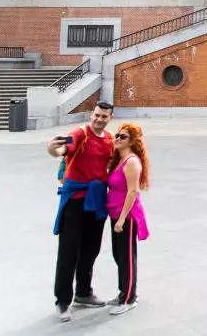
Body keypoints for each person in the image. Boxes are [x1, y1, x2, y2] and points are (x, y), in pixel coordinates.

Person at [47, 102, 115, 322]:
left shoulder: (109, 140)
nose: (99, 119)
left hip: (96, 200)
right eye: (97, 115)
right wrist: (52, 148)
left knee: (91, 249)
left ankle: (83, 293)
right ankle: (62, 300)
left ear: (110, 118)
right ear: (91, 115)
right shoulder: (79, 133)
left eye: (104, 116)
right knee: (68, 251)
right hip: (76, 201)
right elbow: (62, 149)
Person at [106, 123, 150, 316]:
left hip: (126, 215)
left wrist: (122, 219)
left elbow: (132, 192)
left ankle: (129, 298)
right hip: (114, 213)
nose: (117, 138)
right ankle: (124, 290)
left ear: (132, 141)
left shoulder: (131, 162)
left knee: (127, 257)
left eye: (122, 137)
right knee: (118, 254)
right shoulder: (119, 159)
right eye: (117, 135)